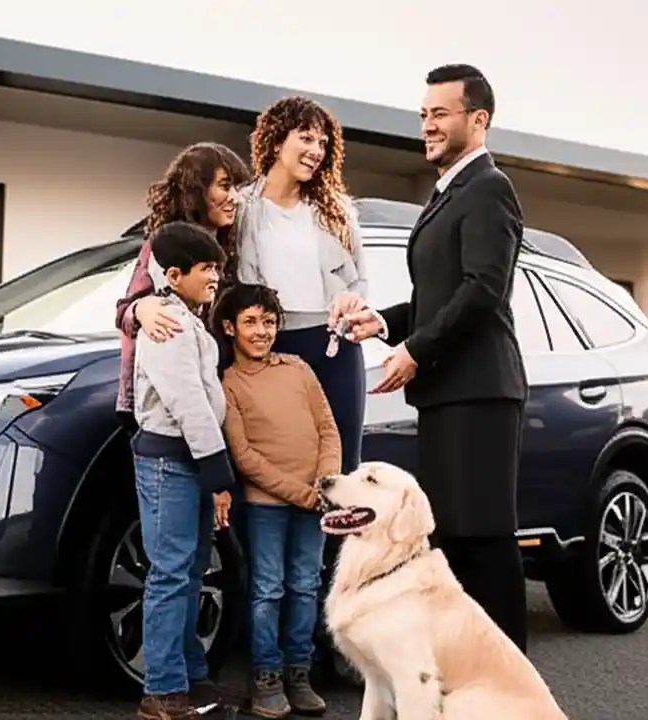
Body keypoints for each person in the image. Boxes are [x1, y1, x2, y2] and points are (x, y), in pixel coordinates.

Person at [343, 64, 531, 652]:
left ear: (478, 121)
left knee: (485, 540)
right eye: (424, 113)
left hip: (479, 391)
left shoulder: (489, 189)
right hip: (450, 393)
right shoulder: (449, 190)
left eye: (440, 113)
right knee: (454, 540)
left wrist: (415, 351)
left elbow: (482, 289)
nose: (427, 124)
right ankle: (469, 680)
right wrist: (386, 322)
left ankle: (510, 687)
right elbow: (438, 294)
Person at [133, 96, 370, 474]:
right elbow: (181, 265)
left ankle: (332, 535)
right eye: (306, 138)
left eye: (323, 144)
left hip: (332, 348)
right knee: (271, 465)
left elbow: (359, 281)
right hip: (264, 345)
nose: (315, 151)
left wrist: (352, 301)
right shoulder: (240, 207)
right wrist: (138, 306)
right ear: (277, 141)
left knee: (340, 465)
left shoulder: (338, 210)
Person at [211, 282, 340, 718]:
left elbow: (328, 428)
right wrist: (301, 493)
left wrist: (324, 483)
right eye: (250, 322)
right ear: (230, 328)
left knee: (306, 584)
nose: (261, 331)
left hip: (315, 501)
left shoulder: (299, 369)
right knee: (268, 588)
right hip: (268, 504)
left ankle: (297, 673)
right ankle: (265, 676)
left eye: (269, 322)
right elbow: (244, 457)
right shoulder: (228, 384)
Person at [130, 220, 237, 720]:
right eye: (205, 269)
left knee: (191, 571)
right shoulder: (168, 324)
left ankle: (192, 682)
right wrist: (219, 473)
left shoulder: (189, 318)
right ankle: (164, 694)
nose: (215, 277)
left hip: (188, 459)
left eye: (218, 266)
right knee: (171, 573)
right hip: (170, 462)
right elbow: (186, 401)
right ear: (174, 274)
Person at [115, 142, 253, 426]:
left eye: (237, 188)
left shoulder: (231, 245)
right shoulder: (164, 246)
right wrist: (141, 308)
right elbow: (126, 311)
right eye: (225, 186)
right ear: (196, 191)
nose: (235, 198)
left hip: (219, 398)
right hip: (167, 415)